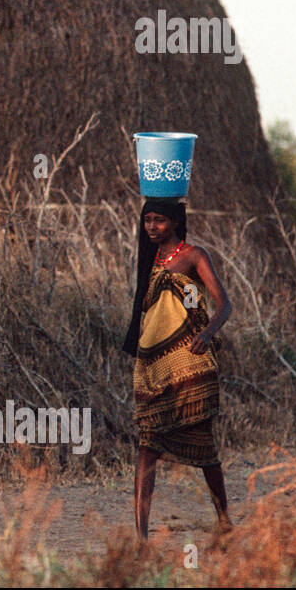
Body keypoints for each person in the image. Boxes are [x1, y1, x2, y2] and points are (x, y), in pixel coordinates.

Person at [121, 198, 234, 540]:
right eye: (147, 221)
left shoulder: (195, 256)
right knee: (147, 443)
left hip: (190, 362)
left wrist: (208, 332)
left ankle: (225, 523)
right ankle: (141, 536)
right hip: (153, 366)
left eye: (159, 221)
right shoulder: (147, 261)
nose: (152, 227)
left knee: (205, 450)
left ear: (175, 222)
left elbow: (224, 304)